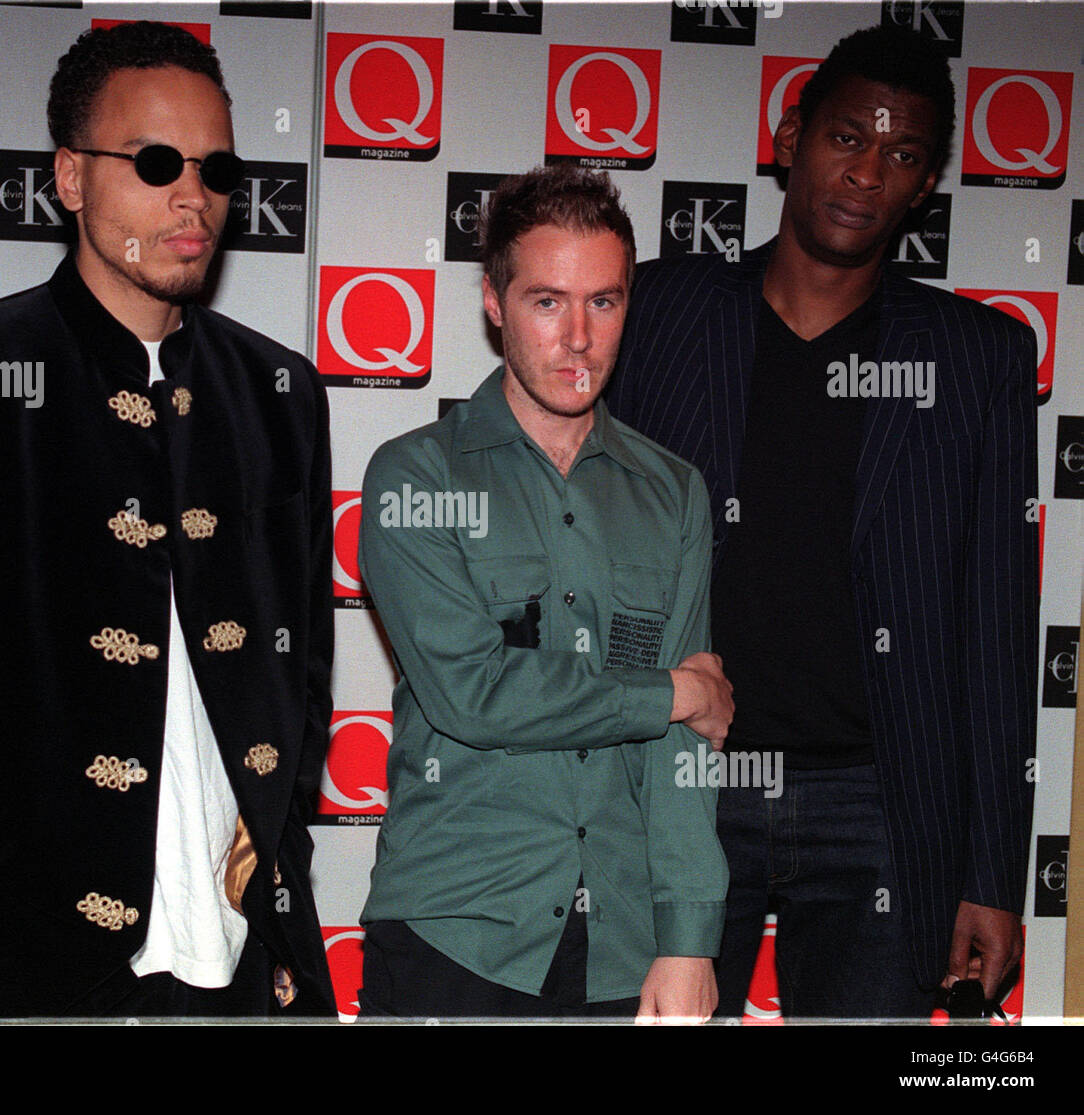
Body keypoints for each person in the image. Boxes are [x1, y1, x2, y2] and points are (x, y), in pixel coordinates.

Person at [0, 21, 334, 1018]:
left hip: (240, 957)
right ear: (71, 178)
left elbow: (300, 673)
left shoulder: (278, 391)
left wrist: (279, 841)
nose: (192, 196)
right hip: (29, 966)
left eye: (216, 168)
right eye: (158, 161)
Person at [607, 23, 1037, 1019]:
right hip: (684, 783)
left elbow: (997, 631)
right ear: (788, 134)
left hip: (881, 805)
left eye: (901, 154)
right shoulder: (659, 312)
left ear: (925, 182)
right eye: (847, 138)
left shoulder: (978, 360)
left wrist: (991, 869)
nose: (866, 174)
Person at [355, 164, 734, 1021]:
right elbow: (476, 694)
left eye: (604, 302)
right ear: (494, 302)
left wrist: (688, 938)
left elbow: (683, 756)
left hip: (625, 946)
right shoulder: (413, 476)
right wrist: (672, 693)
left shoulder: (673, 493)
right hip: (455, 928)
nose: (578, 339)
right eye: (547, 301)